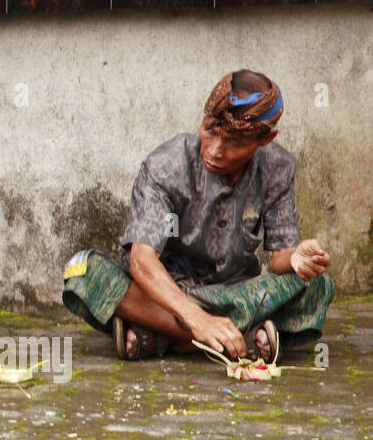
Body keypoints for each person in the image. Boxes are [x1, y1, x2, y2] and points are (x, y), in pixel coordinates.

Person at [62, 70, 334, 362]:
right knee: (82, 272)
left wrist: (296, 258)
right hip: (169, 292)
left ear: (266, 138)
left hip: (239, 291)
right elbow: (141, 261)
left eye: (233, 142)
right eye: (210, 130)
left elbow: (280, 260)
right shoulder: (167, 164)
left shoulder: (278, 168)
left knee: (318, 284)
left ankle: (160, 334)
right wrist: (198, 320)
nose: (215, 150)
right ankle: (219, 335)